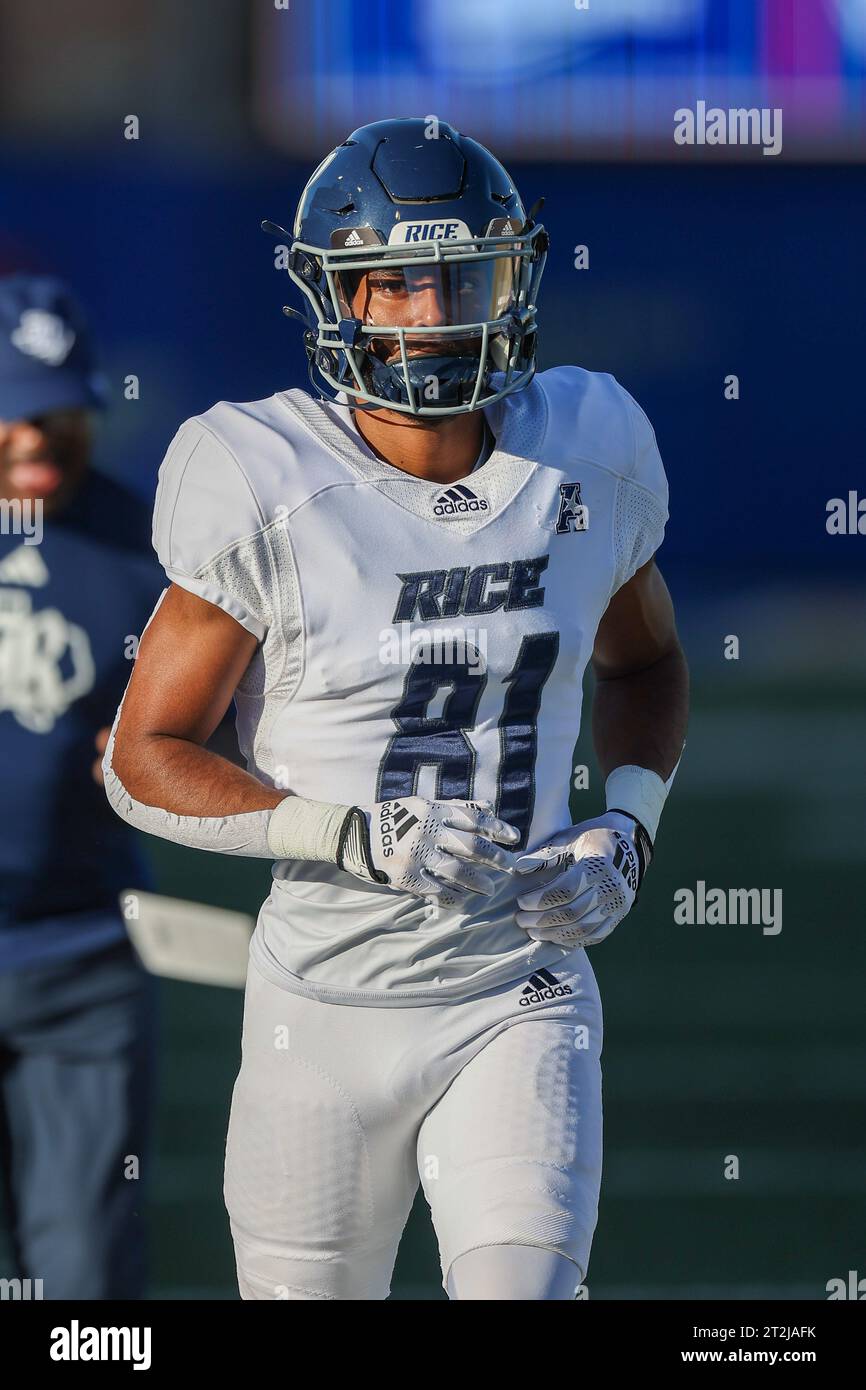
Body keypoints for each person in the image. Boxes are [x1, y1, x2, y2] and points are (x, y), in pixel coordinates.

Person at [104, 118, 688, 1301]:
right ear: (339, 298)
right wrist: (352, 835)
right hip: (317, 1012)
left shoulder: (584, 454)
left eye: (457, 278)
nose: (429, 314)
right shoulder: (264, 478)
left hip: (515, 983)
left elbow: (645, 666)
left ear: (511, 279)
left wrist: (625, 826)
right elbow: (140, 758)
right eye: (395, 284)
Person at [0, 274, 159, 1298]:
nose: (35, 440)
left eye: (59, 413)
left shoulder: (150, 543)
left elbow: (233, 731)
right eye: (13, 412)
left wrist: (158, 747)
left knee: (85, 1283)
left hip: (83, 956)